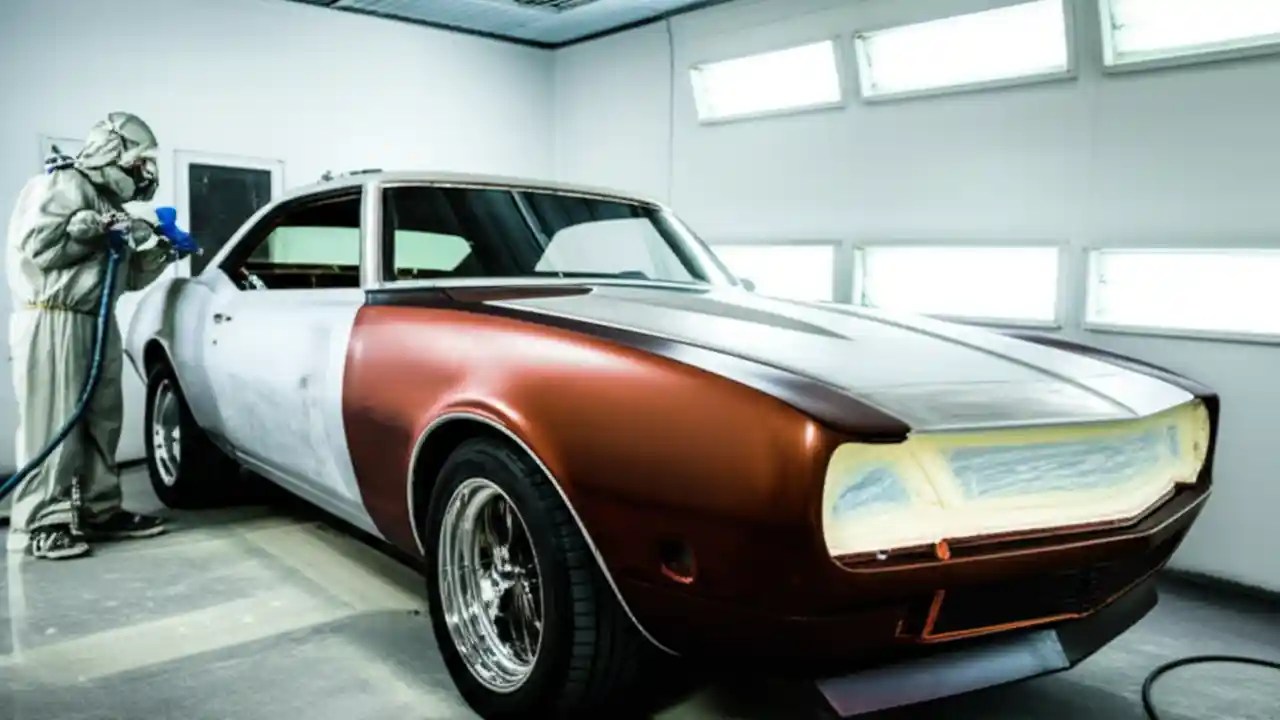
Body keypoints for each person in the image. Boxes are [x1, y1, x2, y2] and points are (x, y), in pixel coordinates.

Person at [6, 112, 176, 560]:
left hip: (97, 319)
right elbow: (40, 247)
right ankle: (46, 520)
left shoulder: (106, 200)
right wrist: (93, 228)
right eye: (139, 160)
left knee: (103, 419)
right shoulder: (64, 185)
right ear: (113, 151)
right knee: (55, 421)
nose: (144, 172)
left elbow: (121, 276)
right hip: (55, 318)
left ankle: (101, 509)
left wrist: (159, 253)